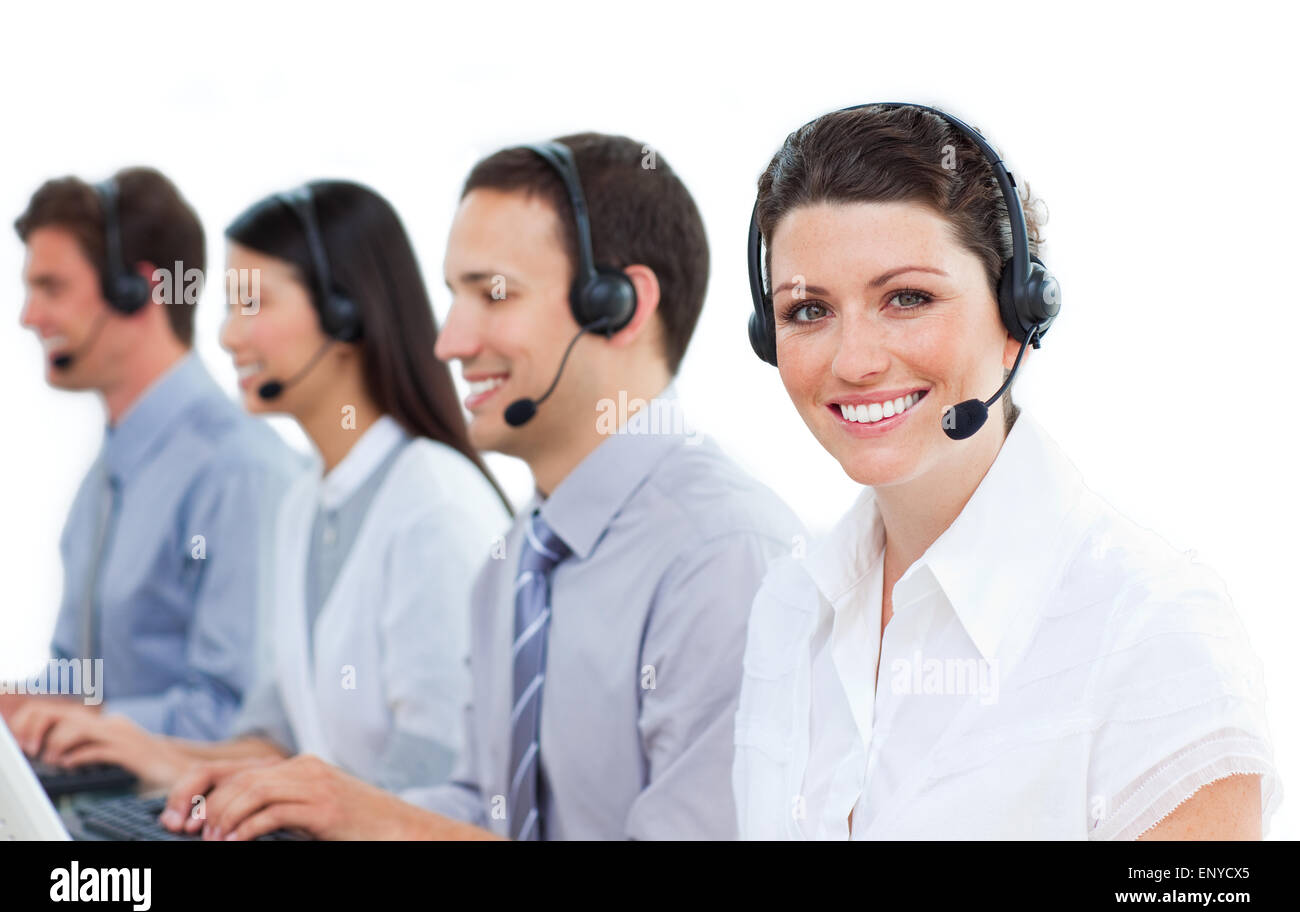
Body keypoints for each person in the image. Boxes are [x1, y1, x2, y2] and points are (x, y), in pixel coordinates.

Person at [160, 133, 805, 841]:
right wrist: (300, 806)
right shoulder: (516, 561)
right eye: (451, 297)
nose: (450, 342)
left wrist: (369, 814)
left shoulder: (722, 558)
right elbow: (484, 810)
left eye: (492, 294)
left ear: (618, 305)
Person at [732, 102, 1282, 840]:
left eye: (907, 298)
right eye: (808, 310)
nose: (854, 360)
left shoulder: (1151, 631)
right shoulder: (789, 609)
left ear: (1020, 314)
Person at [31, 181, 513, 804]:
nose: (229, 337)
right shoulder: (305, 502)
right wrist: (148, 753)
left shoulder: (432, 504)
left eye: (252, 304)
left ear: (344, 310)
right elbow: (274, 743)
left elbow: (432, 782)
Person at [6, 168, 299, 742]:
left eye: (52, 287)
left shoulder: (237, 468)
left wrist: (89, 728)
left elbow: (236, 719)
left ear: (136, 289)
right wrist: (21, 706)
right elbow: (81, 681)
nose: (28, 316)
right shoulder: (105, 477)